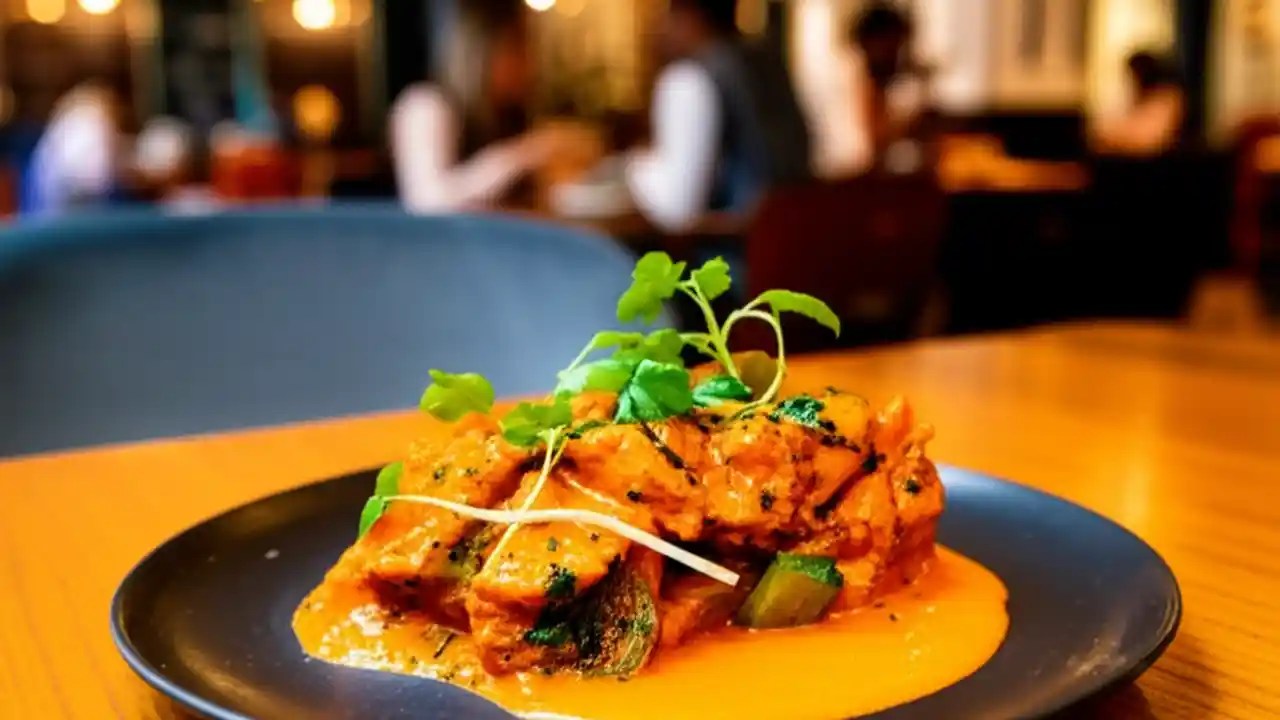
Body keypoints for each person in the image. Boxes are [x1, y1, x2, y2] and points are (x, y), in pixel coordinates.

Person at [625, 0, 812, 232]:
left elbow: (677, 206)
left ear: (690, 17)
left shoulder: (688, 79)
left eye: (666, 16)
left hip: (728, 251)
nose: (661, 28)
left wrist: (633, 168)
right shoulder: (768, 64)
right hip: (794, 238)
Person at [390, 0, 567, 212]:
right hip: (443, 244)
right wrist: (523, 154)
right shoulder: (425, 105)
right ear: (481, 49)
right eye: (516, 48)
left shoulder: (504, 117)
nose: (528, 63)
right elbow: (427, 202)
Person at [843, 3, 929, 175]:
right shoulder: (851, 78)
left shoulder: (881, 84)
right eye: (893, 48)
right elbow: (873, 144)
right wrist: (908, 126)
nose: (896, 57)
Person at [24, 82, 121, 217]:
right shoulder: (90, 121)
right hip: (62, 216)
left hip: (47, 215)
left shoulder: (66, 122)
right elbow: (93, 179)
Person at [1094, 51, 1185, 156]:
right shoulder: (1133, 96)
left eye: (1135, 74)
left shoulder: (1167, 99)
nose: (1134, 79)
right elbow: (1104, 131)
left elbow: (1150, 141)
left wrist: (1119, 138)